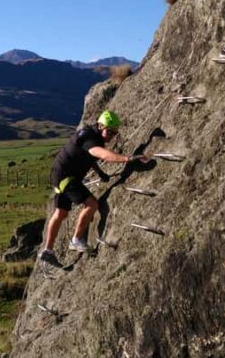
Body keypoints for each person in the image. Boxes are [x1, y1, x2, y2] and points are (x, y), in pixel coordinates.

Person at [38, 110, 147, 266]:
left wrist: (100, 172)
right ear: (100, 125)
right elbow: (100, 154)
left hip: (59, 173)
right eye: (109, 131)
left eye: (114, 133)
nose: (111, 136)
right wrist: (127, 159)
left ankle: (47, 250)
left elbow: (89, 157)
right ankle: (76, 240)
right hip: (67, 177)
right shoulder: (90, 138)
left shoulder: (90, 135)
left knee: (60, 212)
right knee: (92, 204)